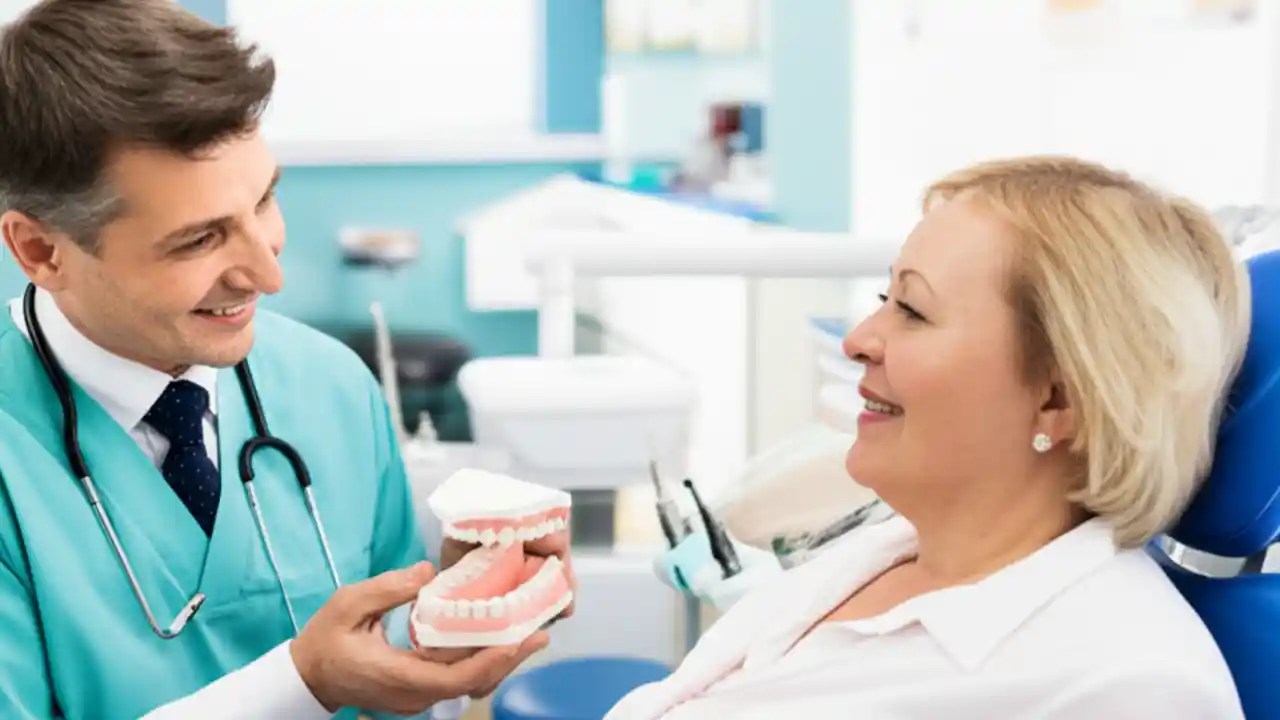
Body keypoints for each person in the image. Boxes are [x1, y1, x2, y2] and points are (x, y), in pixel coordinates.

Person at [0, 1, 571, 718]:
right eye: (198, 240)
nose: (270, 279)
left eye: (265, 200)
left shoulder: (332, 388)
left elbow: (389, 664)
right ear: (41, 250)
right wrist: (304, 683)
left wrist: (451, 615)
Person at [606, 156, 1250, 719]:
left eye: (912, 310)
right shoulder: (883, 553)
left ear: (1059, 399)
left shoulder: (1131, 685)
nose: (859, 339)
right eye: (886, 297)